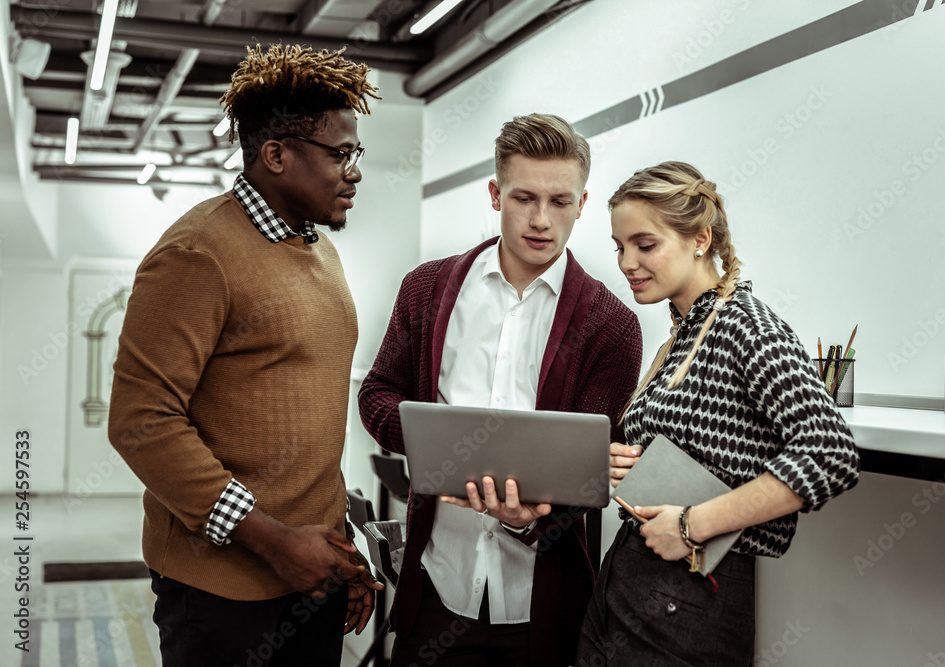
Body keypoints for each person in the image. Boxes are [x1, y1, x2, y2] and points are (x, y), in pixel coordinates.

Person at [108, 44, 383, 667]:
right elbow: (141, 421)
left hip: (311, 575)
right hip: (220, 592)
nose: (355, 171)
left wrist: (338, 551)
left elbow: (305, 425)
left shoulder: (319, 252)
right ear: (276, 154)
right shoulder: (197, 254)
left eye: (356, 153)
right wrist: (274, 539)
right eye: (340, 154)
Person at [358, 113, 642, 666]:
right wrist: (434, 444)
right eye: (524, 198)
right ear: (495, 194)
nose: (541, 220)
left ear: (583, 204)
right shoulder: (426, 290)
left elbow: (587, 475)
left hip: (543, 611)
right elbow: (377, 393)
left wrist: (533, 516)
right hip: (436, 585)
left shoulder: (612, 326)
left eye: (561, 202)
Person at [576, 161, 860, 665]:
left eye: (646, 244)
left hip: (687, 595)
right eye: (620, 247)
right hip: (628, 575)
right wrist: (630, 464)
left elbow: (829, 451)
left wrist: (691, 524)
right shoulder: (682, 333)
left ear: (700, 238)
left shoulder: (746, 327)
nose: (626, 262)